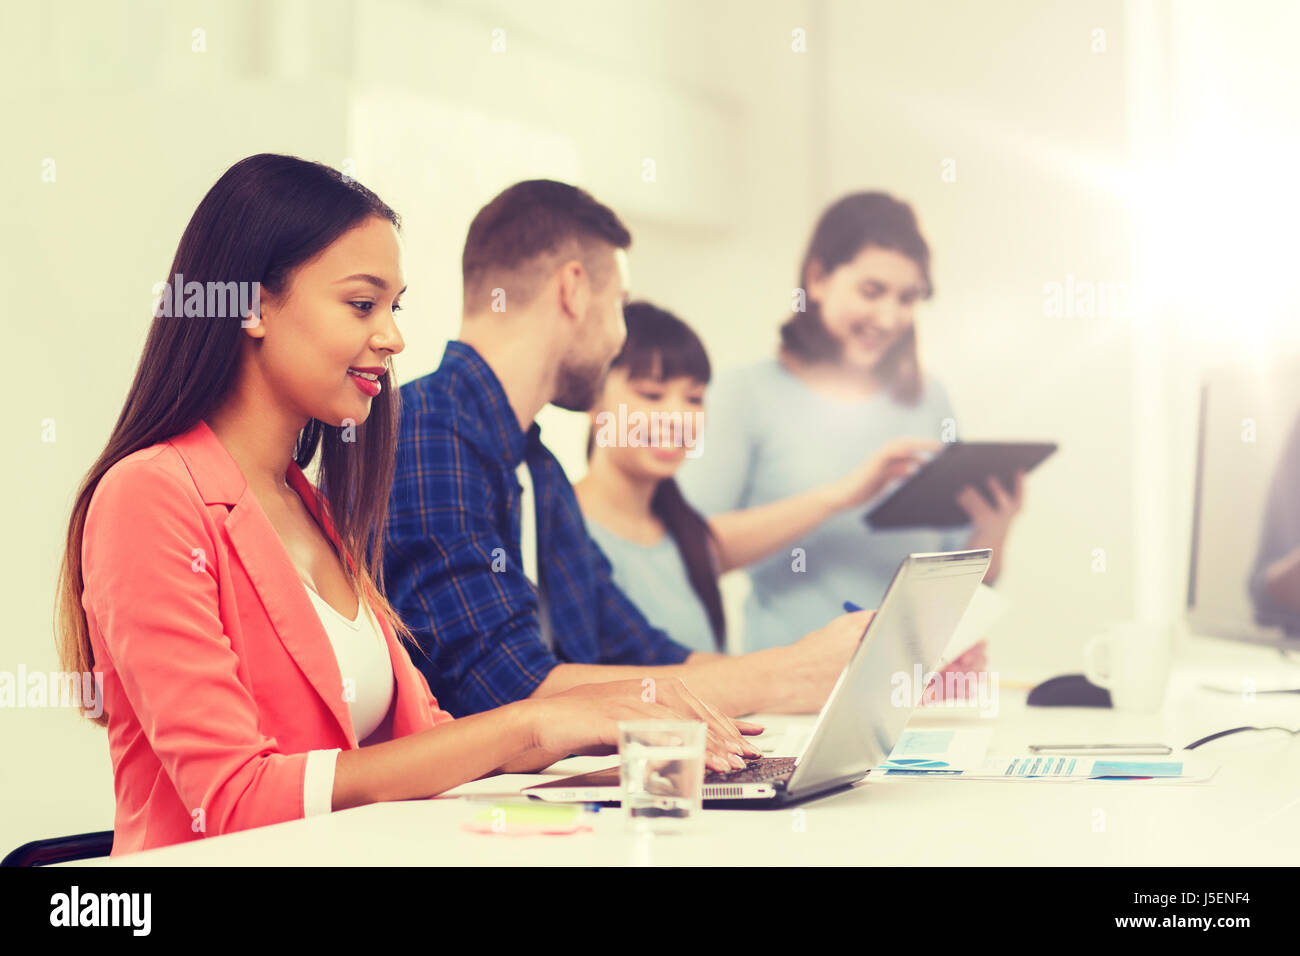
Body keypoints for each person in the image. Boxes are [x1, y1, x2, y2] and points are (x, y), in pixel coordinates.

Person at [56, 155, 759, 856]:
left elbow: (429, 745)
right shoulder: (148, 497)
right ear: (251, 305)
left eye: (395, 307)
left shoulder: (315, 508)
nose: (393, 337)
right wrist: (538, 724)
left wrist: (610, 764)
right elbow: (236, 799)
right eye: (363, 305)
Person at [383, 180, 872, 720]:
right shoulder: (428, 430)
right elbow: (507, 687)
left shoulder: (535, 465)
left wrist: (819, 670)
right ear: (573, 289)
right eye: (618, 305)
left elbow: (639, 649)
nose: (619, 336)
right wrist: (778, 679)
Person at [679, 192, 1025, 653]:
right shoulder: (742, 396)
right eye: (872, 291)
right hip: (787, 698)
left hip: (910, 687)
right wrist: (838, 497)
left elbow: (957, 576)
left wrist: (995, 528)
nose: (889, 317)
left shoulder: (929, 398)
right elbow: (687, 553)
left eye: (907, 298)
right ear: (818, 279)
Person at [575, 301, 936, 655]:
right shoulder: (558, 528)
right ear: (594, 399)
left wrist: (847, 493)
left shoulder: (687, 539)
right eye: (652, 395)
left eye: (694, 398)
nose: (678, 416)